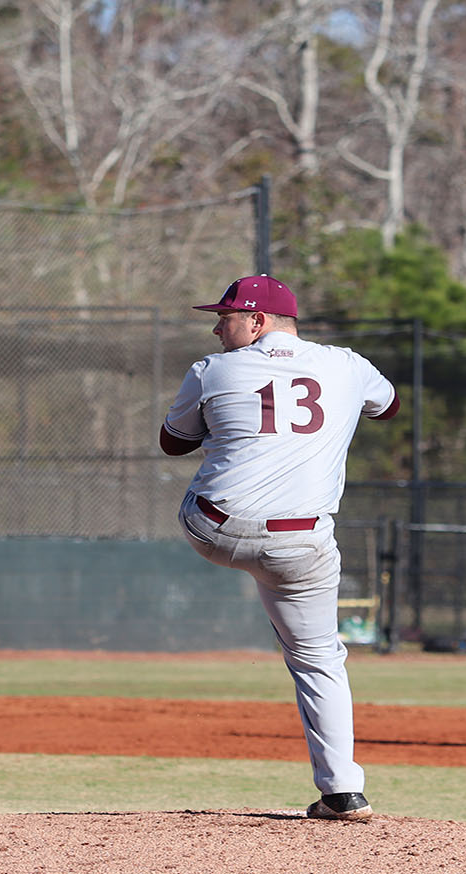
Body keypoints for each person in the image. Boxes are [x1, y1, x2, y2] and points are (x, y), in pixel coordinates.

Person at [159, 274, 400, 821]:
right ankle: (343, 790)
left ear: (259, 321)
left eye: (227, 317)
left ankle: (340, 796)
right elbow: (388, 408)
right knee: (319, 658)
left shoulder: (212, 370)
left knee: (213, 484)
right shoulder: (349, 365)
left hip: (215, 529)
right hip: (302, 542)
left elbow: (173, 443)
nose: (219, 327)